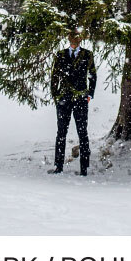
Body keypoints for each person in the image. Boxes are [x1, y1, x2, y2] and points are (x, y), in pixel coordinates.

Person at [49, 30, 97, 175]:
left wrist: (90, 94)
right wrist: (55, 95)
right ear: (69, 40)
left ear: (80, 41)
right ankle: (58, 166)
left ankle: (84, 167)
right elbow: (54, 76)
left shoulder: (87, 54)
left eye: (77, 40)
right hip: (64, 99)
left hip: (81, 98)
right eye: (72, 40)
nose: (74, 42)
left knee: (82, 132)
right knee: (61, 132)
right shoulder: (61, 54)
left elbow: (93, 74)